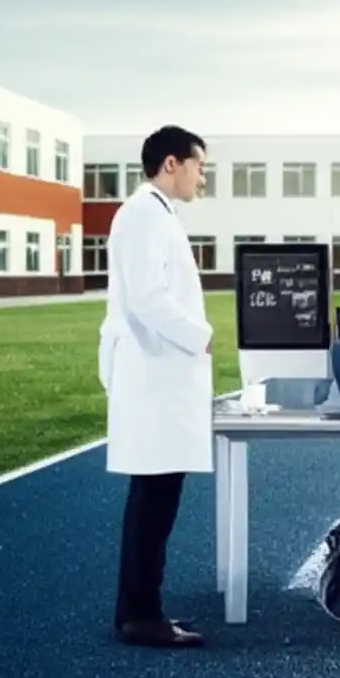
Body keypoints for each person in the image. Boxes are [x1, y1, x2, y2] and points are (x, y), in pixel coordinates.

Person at [98, 125, 211, 648]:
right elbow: (147, 298)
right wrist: (199, 337)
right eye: (198, 166)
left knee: (154, 497)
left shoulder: (154, 213)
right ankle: (141, 614)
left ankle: (140, 607)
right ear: (172, 164)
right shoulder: (145, 213)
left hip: (157, 375)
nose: (201, 178)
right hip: (156, 374)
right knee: (153, 498)